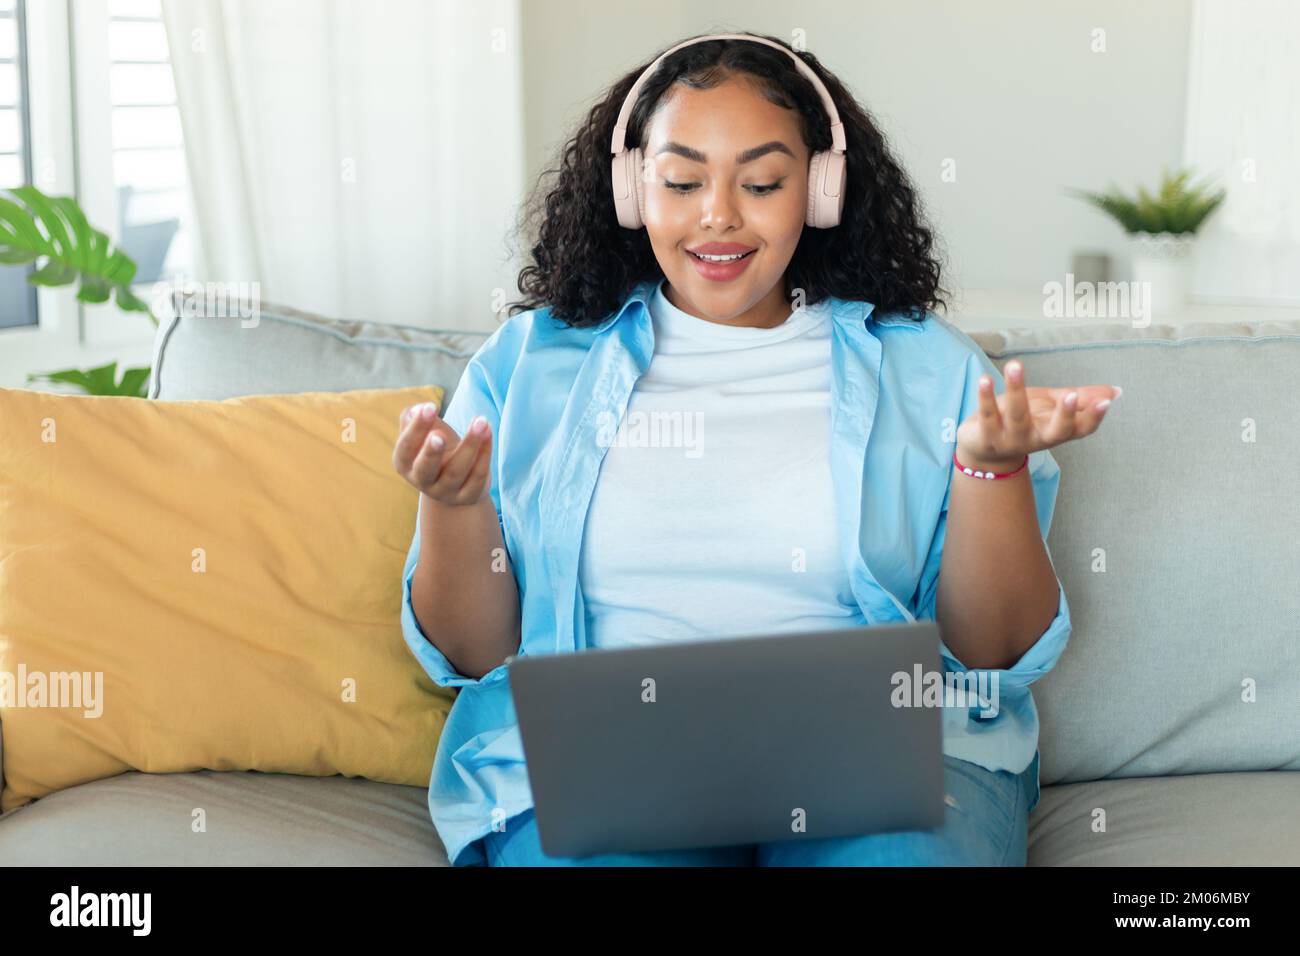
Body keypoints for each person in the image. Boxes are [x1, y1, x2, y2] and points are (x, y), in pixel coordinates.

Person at [392, 31, 1119, 867]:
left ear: (819, 188)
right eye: (681, 180)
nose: (719, 214)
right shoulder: (530, 364)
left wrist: (992, 470)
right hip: (612, 764)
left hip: (871, 759)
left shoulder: (928, 365)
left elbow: (992, 654)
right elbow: (474, 656)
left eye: (763, 181)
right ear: (633, 190)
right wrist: (453, 507)